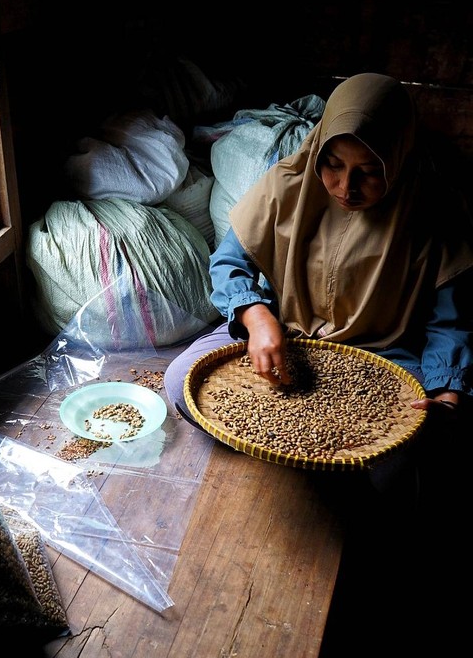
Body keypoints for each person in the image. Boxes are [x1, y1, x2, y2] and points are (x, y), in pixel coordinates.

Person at [165, 73, 473, 450]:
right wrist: (256, 317)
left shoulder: (434, 212)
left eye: (369, 172)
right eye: (333, 164)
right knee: (182, 381)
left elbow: (450, 322)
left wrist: (446, 396)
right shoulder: (288, 185)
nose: (345, 187)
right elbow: (229, 262)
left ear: (398, 157)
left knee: (403, 441)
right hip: (286, 333)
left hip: (380, 353)